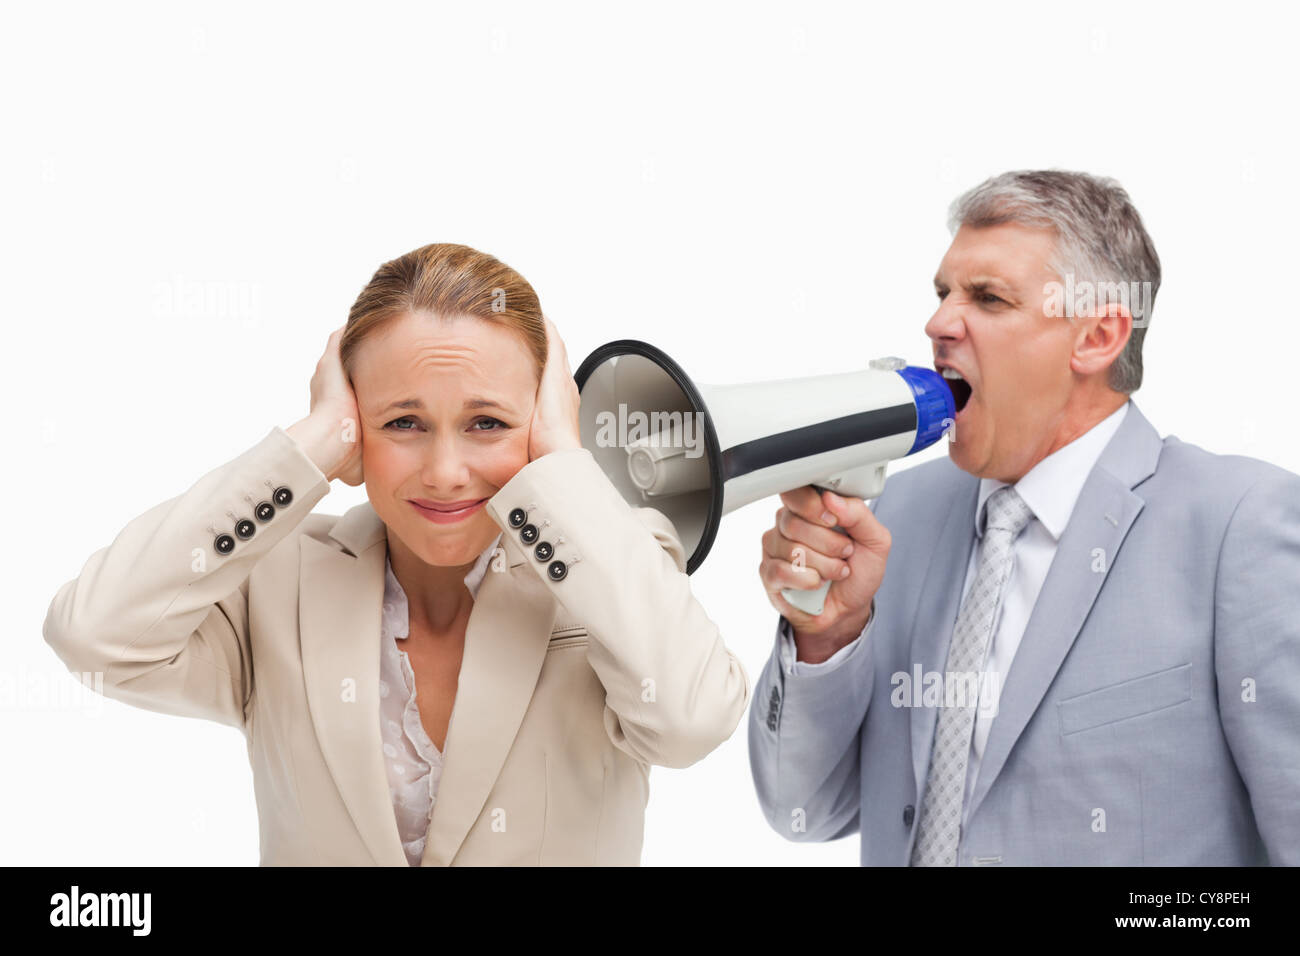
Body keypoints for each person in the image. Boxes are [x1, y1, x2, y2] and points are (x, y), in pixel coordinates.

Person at [44, 242, 749, 866]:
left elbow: (690, 722)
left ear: (541, 422)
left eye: (487, 422)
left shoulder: (610, 564)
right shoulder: (277, 580)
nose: (445, 471)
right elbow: (94, 637)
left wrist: (565, 462)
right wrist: (309, 448)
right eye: (403, 422)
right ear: (356, 429)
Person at [749, 170, 1300, 865]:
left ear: (1098, 336)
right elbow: (804, 814)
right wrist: (826, 638)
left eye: (988, 298)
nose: (939, 323)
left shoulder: (1238, 526)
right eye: (943, 292)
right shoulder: (892, 520)